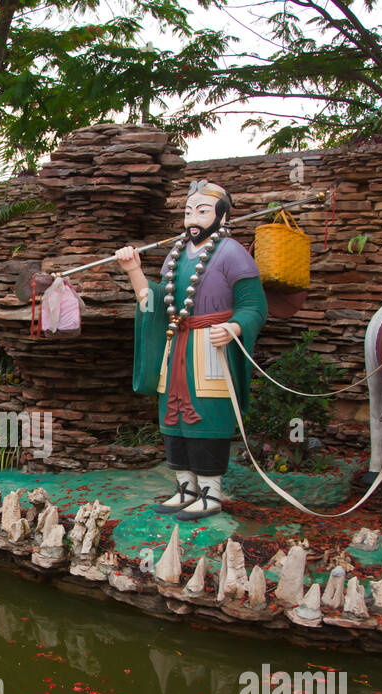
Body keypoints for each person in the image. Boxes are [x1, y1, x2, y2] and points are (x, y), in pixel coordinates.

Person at [115, 180, 268, 519]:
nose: (192, 219)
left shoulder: (232, 253)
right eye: (188, 211)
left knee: (208, 415)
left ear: (221, 215)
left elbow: (255, 306)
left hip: (211, 346)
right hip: (177, 342)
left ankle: (211, 494)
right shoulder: (176, 253)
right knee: (173, 415)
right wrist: (134, 270)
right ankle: (185, 487)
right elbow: (156, 300)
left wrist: (234, 326)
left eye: (202, 211)